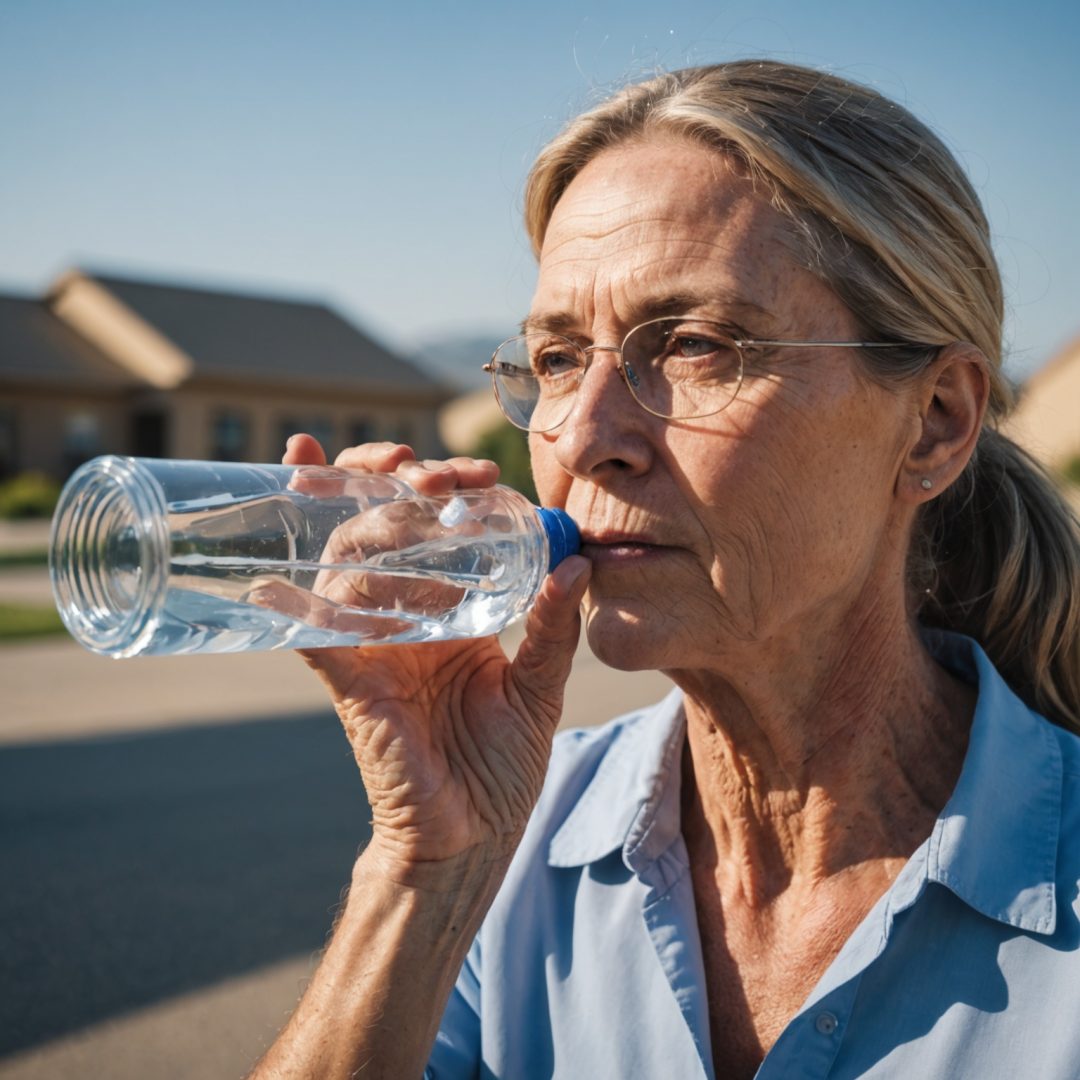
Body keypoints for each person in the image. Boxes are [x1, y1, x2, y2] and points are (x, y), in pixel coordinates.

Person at [250, 61, 1080, 1079]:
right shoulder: (513, 835)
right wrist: (423, 874)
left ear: (936, 423)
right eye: (557, 359)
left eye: (694, 345)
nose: (585, 436)